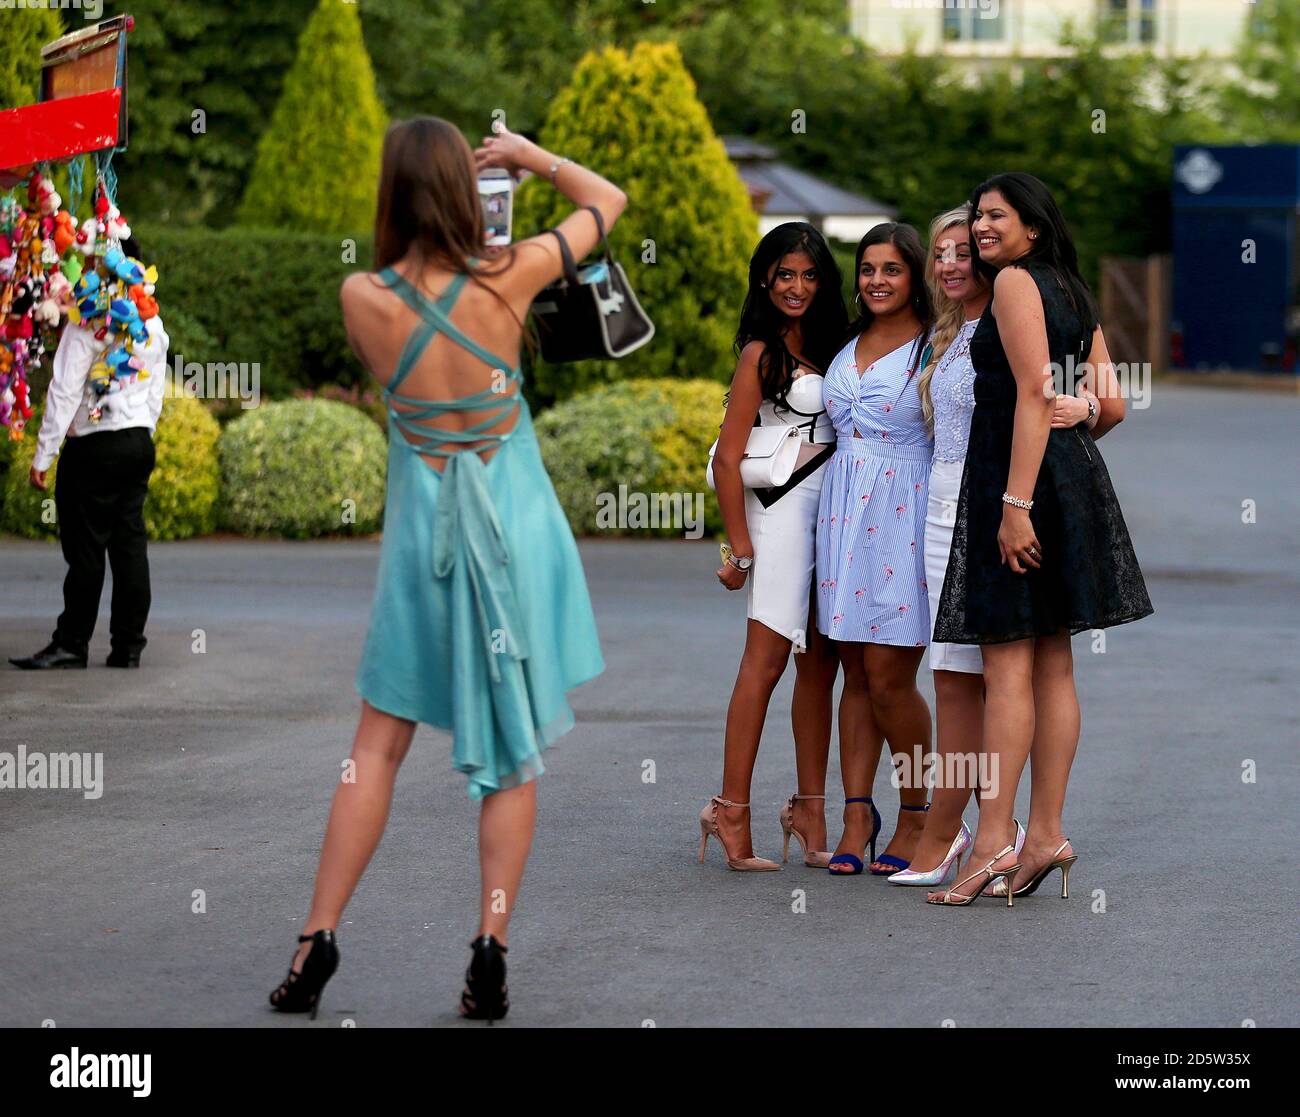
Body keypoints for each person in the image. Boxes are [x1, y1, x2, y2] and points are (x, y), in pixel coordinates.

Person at [267, 117, 626, 1020]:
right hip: (516, 529)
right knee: (513, 751)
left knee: (375, 747)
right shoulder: (516, 273)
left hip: (426, 536)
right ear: (468, 192)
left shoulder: (363, 295)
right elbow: (608, 202)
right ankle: (490, 947)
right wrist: (527, 160)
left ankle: (317, 937)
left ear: (390, 194)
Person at [927, 172, 1152, 906]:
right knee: (1051, 664)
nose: (981, 228)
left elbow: (1028, 392)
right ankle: (1046, 834)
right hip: (1069, 480)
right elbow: (1111, 405)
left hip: (1020, 484)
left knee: (1010, 670)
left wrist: (1015, 503)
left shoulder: (1017, 283)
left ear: (1031, 225)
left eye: (996, 216)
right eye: (977, 215)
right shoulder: (1072, 288)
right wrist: (1078, 410)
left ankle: (994, 841)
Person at [702, 223, 846, 871]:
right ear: (765, 278)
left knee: (820, 663)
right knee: (764, 663)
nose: (797, 286)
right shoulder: (760, 353)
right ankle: (729, 810)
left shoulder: (838, 344)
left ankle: (811, 810)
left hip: (837, 516)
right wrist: (740, 551)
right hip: (781, 520)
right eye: (785, 274)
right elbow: (729, 459)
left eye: (810, 274)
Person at [815, 222, 935, 875]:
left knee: (891, 677)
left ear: (913, 274)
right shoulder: (847, 339)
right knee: (855, 672)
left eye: (891, 269)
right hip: (841, 515)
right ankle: (856, 813)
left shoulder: (935, 347)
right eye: (868, 269)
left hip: (903, 518)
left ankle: (920, 811)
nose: (878, 281)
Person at [10, 237, 169, 671]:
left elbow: (64, 390)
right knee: (129, 543)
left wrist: (45, 454)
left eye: (94, 260)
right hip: (136, 441)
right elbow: (155, 388)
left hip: (94, 445)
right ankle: (128, 646)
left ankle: (72, 642)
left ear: (105, 265)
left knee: (85, 547)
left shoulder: (88, 320)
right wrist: (141, 430)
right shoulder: (152, 323)